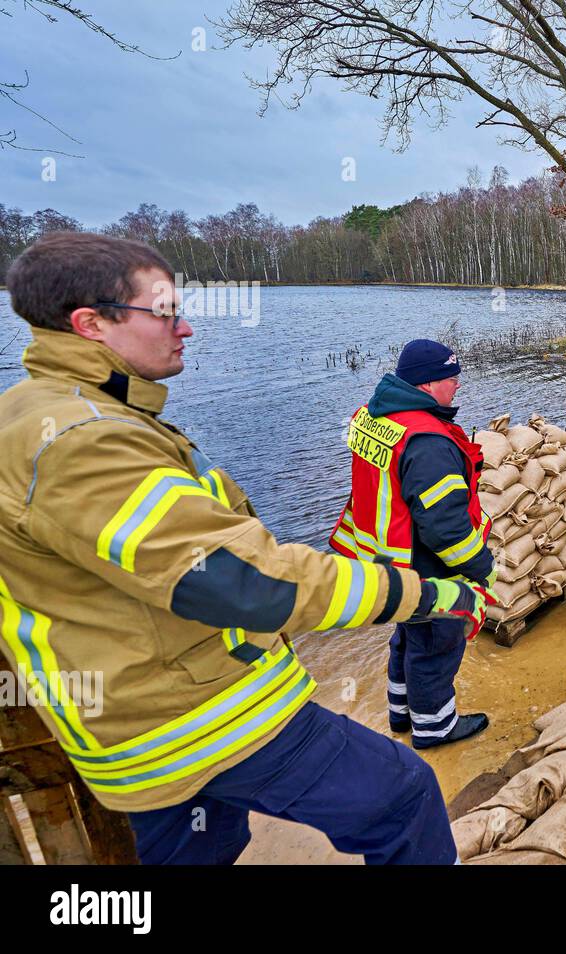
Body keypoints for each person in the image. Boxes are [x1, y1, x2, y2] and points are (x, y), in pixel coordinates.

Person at [0, 233, 488, 864]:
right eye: (166, 311)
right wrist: (439, 588)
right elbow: (241, 579)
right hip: (191, 719)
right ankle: (431, 725)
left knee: (211, 841)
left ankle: (405, 712)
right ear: (91, 324)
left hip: (135, 721)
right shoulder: (79, 441)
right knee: (402, 794)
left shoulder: (43, 413)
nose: (187, 328)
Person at [331, 340, 494, 747]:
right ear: (425, 384)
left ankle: (400, 712)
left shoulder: (375, 416)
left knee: (407, 634)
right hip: (423, 561)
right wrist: (478, 564)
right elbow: (444, 527)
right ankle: (435, 727)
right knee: (438, 643)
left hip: (386, 556)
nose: (457, 385)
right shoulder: (428, 443)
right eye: (450, 378)